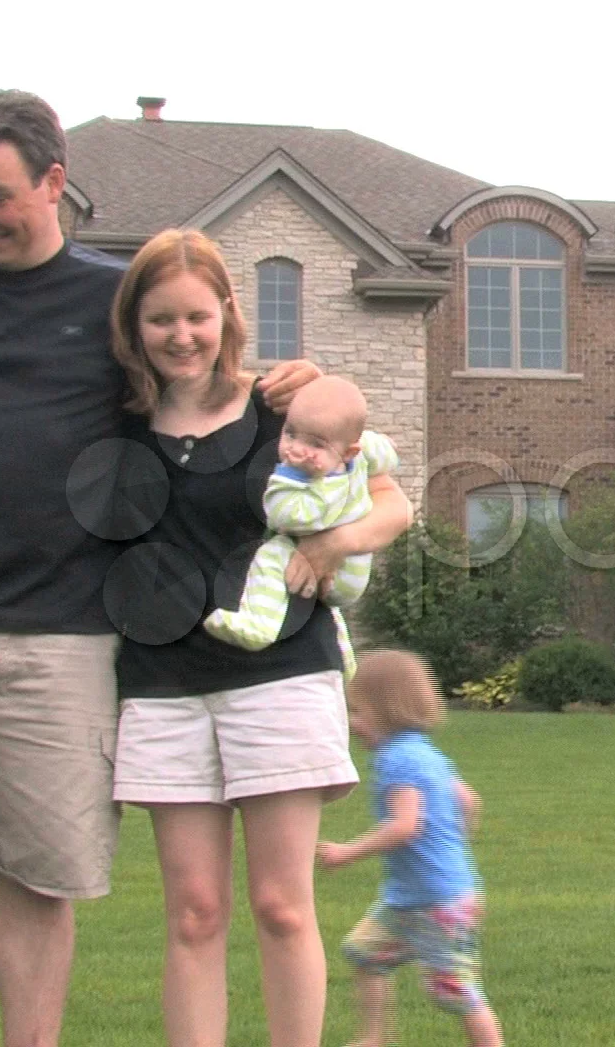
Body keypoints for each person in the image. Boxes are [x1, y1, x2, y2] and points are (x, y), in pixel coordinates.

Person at [0, 91, 319, 1047]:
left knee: (42, 883)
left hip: (72, 640)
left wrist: (306, 385)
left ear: (53, 182)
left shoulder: (115, 302)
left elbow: (204, 383)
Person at [108, 228, 412, 1047]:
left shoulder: (285, 408)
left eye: (196, 317)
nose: (180, 336)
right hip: (163, 686)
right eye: (160, 319)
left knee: (282, 905)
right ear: (135, 325)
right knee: (195, 914)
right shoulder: (119, 427)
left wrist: (331, 545)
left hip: (280, 678)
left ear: (227, 314)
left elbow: (391, 505)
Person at [319, 650, 505, 1047]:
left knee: (454, 989)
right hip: (412, 899)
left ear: (387, 710)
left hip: (438, 904)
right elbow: (469, 801)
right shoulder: (425, 751)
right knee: (364, 952)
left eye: (359, 711)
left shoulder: (398, 759)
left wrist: (346, 852)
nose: (353, 724)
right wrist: (454, 853)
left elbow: (405, 825)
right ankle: (372, 1039)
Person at [203, 374, 398, 681]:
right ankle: (345, 657)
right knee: (327, 606)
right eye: (291, 434)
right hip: (351, 569)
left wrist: (287, 477)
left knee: (272, 553)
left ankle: (259, 623)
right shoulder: (358, 455)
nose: (297, 449)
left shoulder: (313, 482)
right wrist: (385, 447)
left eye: (315, 444)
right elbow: (384, 452)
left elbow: (289, 518)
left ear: (349, 452)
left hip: (345, 566)